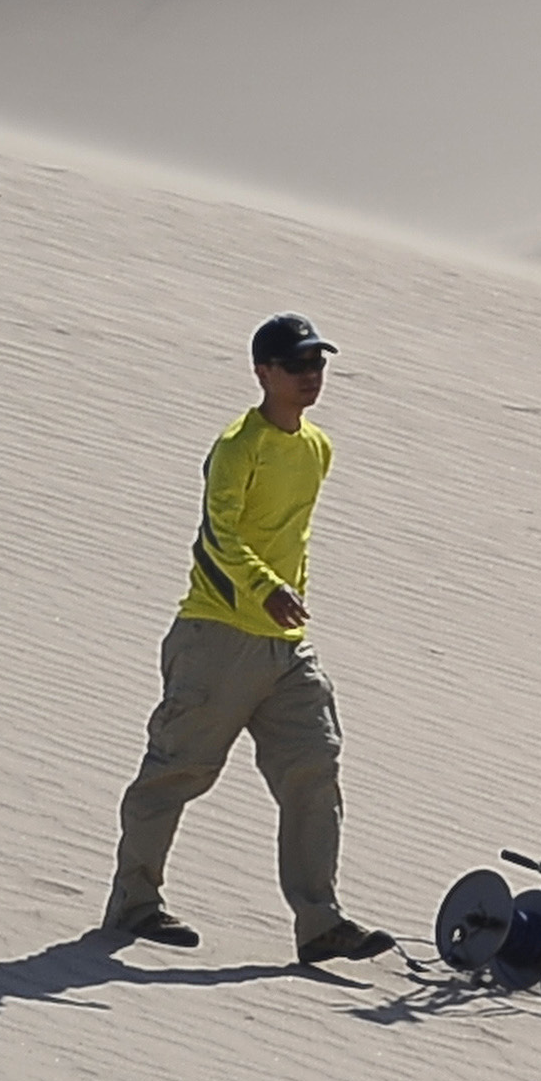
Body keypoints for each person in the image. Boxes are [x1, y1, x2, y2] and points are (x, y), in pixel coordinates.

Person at [103, 313, 395, 964]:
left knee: (314, 766)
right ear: (263, 371)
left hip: (285, 647)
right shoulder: (239, 445)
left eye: (318, 363)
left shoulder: (318, 447)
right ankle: (132, 903)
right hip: (218, 636)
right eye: (297, 365)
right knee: (176, 772)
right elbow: (217, 537)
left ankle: (320, 922)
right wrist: (264, 588)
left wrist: (286, 600)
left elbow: (295, 538)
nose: (311, 376)